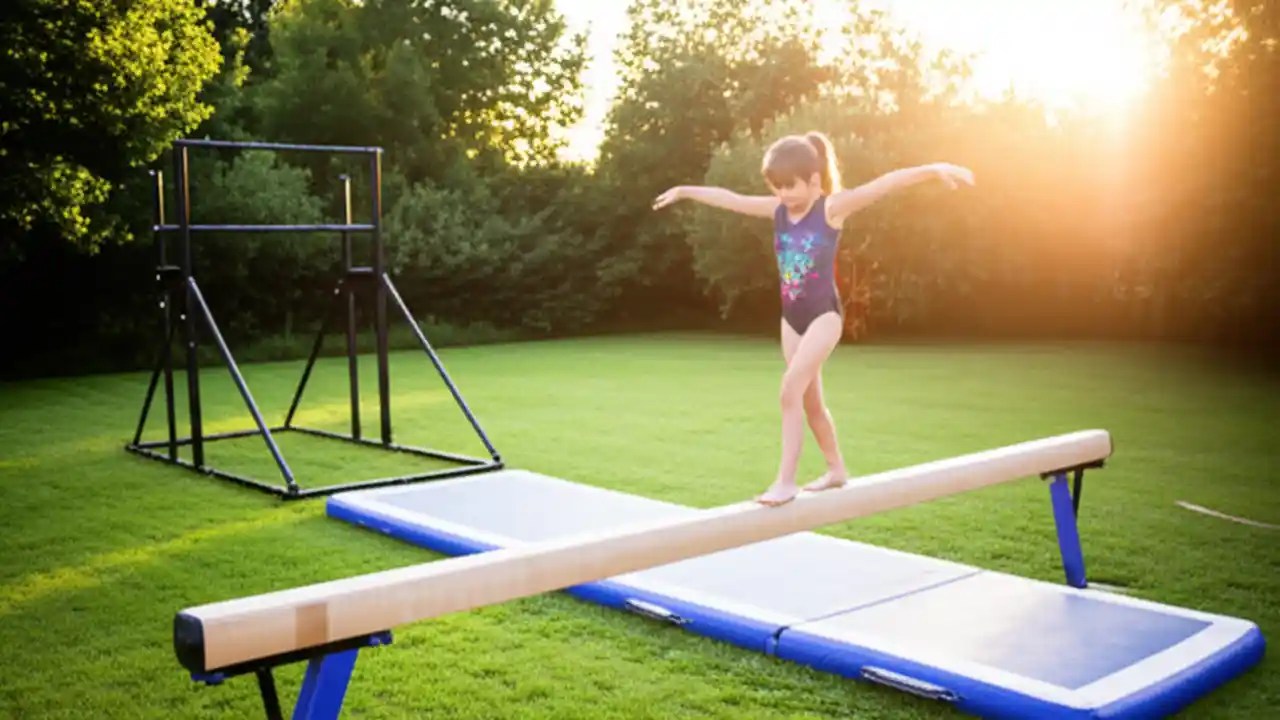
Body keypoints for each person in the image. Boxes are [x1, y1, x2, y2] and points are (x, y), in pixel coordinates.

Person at [652, 132, 974, 506]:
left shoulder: (831, 209)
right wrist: (685, 191)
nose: (784, 194)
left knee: (788, 390)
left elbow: (882, 185)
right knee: (810, 404)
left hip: (823, 316)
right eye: (777, 187)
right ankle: (836, 470)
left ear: (815, 180)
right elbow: (733, 200)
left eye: (790, 186)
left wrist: (932, 170)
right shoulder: (778, 211)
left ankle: (785, 482)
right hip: (791, 319)